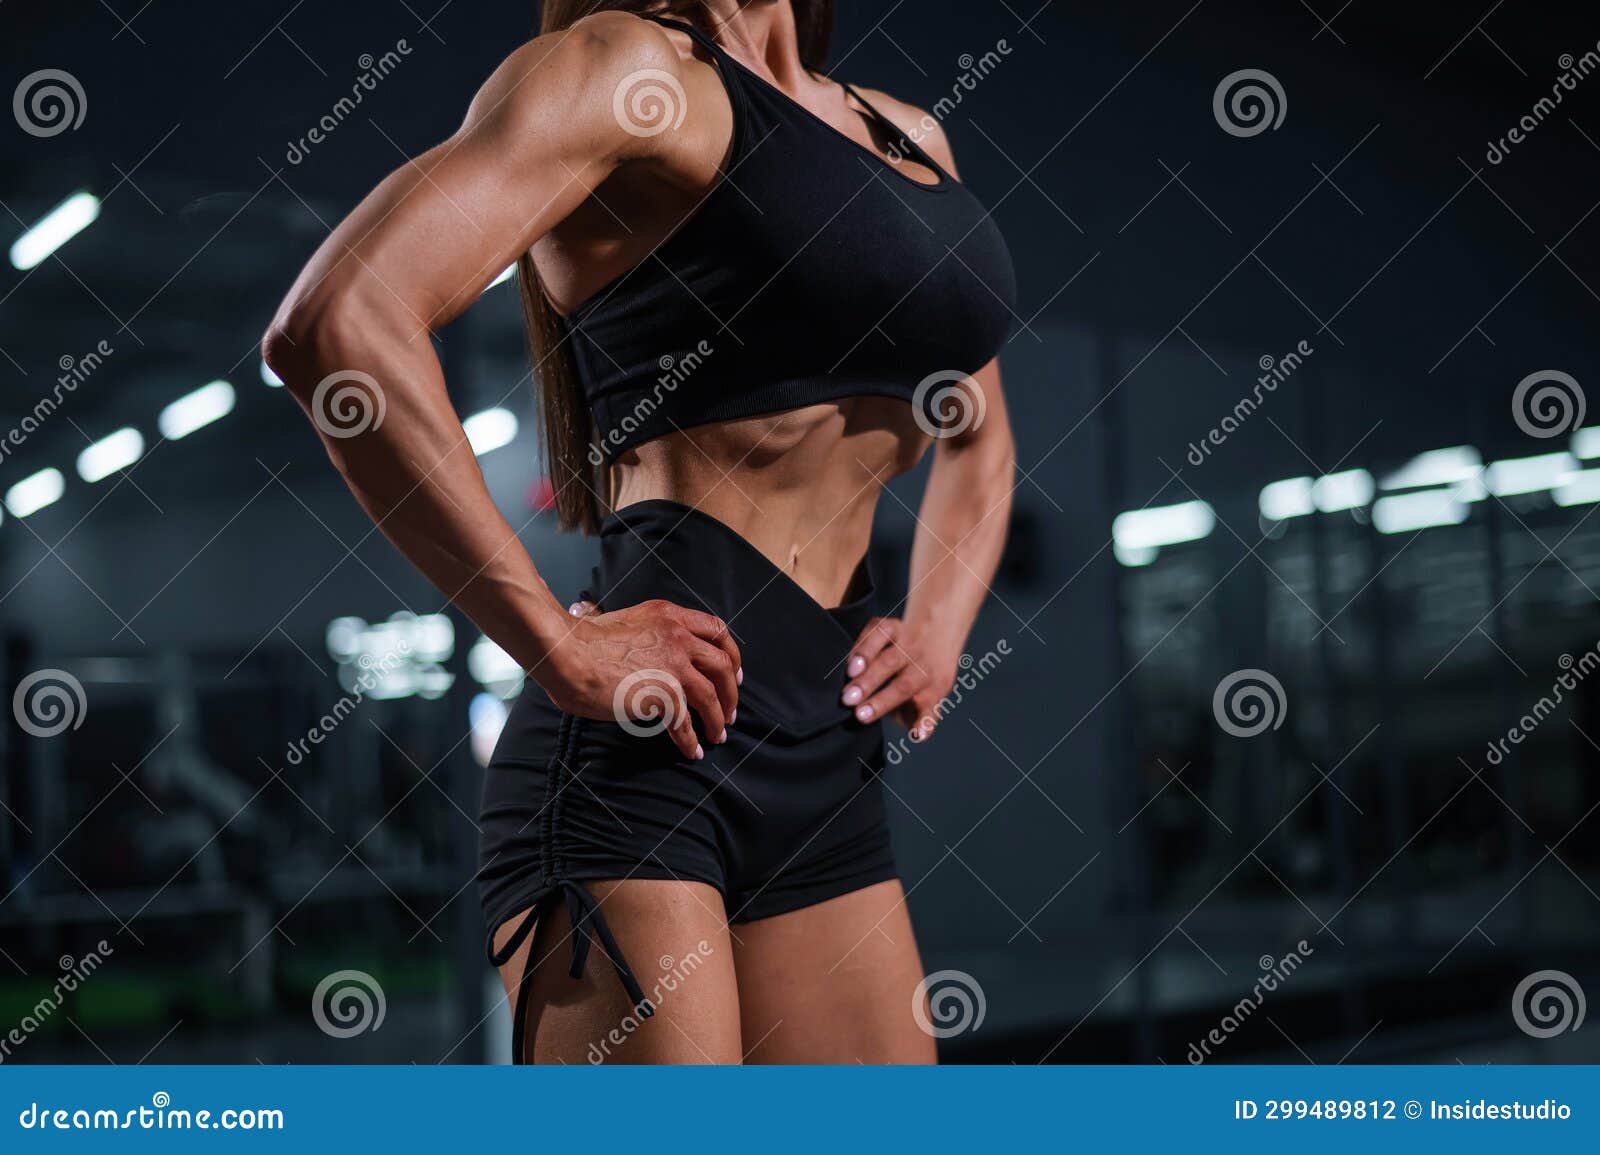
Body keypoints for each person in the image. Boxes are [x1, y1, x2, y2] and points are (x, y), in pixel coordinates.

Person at [263, 0, 1015, 1063]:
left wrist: (937, 623)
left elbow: (979, 433)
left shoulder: (906, 137)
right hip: (647, 756)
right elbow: (338, 320)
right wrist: (556, 645)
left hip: (830, 760)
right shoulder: (623, 70)